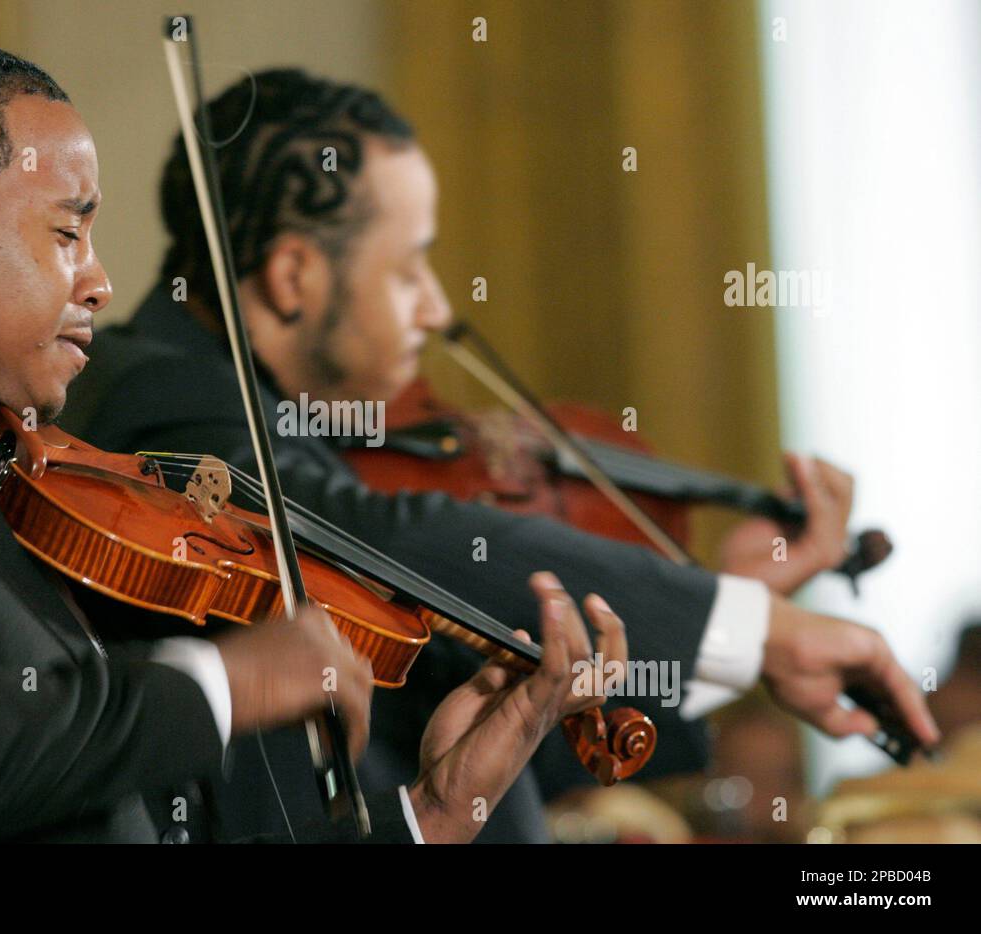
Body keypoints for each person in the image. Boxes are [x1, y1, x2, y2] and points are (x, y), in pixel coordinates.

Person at [0, 38, 624, 844]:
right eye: (66, 233)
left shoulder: (5, 470)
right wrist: (221, 684)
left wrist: (432, 812)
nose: (98, 282)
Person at [61, 68, 939, 841]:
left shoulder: (274, 421)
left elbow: (488, 749)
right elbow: (382, 535)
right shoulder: (163, 396)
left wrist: (735, 603)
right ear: (295, 276)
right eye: (410, 269)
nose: (438, 308)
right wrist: (752, 626)